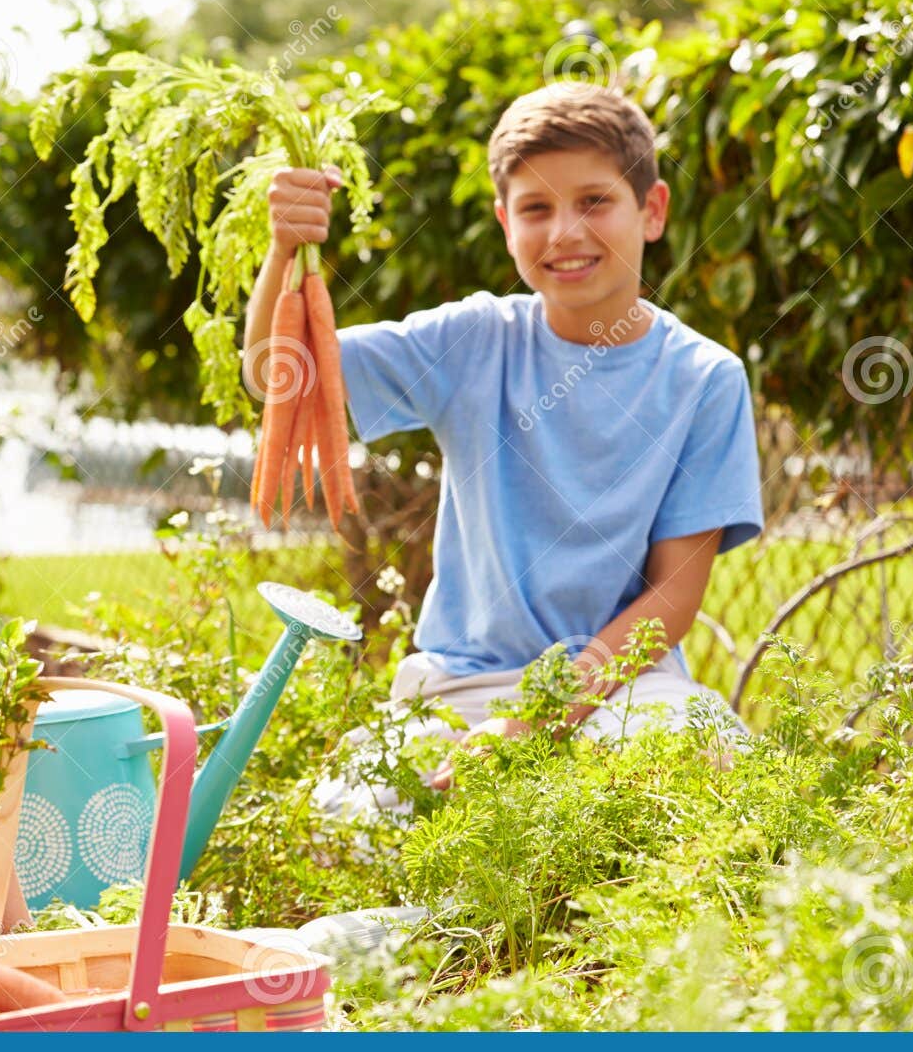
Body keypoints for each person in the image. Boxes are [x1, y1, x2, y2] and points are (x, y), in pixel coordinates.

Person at [242, 83, 763, 799]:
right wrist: (285, 253)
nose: (565, 234)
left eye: (594, 202)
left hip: (624, 692)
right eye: (536, 209)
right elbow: (284, 378)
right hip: (460, 688)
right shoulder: (474, 339)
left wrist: (533, 724)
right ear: (504, 222)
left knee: (695, 758)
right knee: (347, 814)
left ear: (652, 210)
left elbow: (672, 600)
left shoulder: (704, 378)